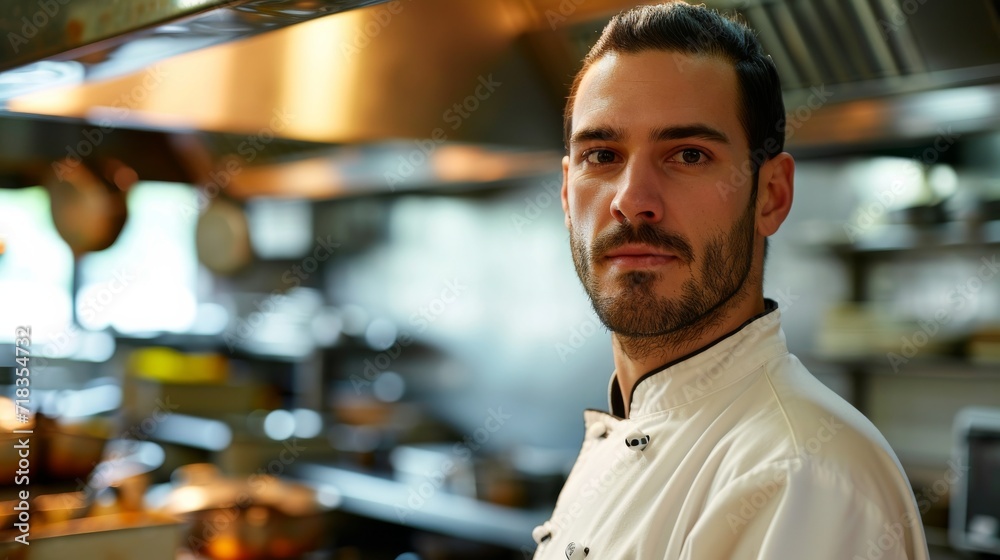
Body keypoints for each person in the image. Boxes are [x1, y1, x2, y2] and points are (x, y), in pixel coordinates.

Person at [531, 3, 929, 559]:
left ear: (771, 196)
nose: (631, 200)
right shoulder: (630, 426)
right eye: (601, 155)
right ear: (566, 194)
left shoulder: (801, 475)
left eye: (689, 154)